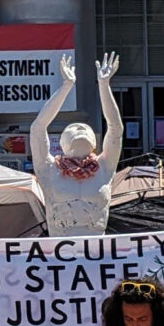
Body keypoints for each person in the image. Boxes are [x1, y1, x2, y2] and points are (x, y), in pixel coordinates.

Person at [30, 52, 124, 233]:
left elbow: (115, 129)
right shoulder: (49, 169)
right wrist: (66, 86)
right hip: (60, 253)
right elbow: (38, 128)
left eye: (85, 128)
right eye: (73, 128)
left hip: (97, 253)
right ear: (62, 144)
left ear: (95, 143)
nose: (80, 129)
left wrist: (104, 85)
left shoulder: (104, 166)